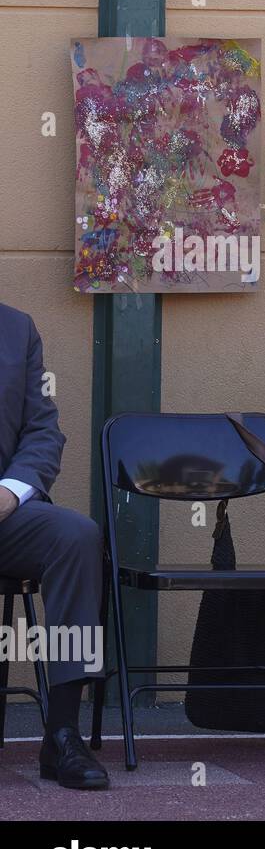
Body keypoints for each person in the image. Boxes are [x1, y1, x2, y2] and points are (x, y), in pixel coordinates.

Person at [0, 303, 108, 789]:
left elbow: (43, 430)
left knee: (77, 536)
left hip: (4, 514)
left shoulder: (17, 327)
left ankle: (62, 733)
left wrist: (11, 491)